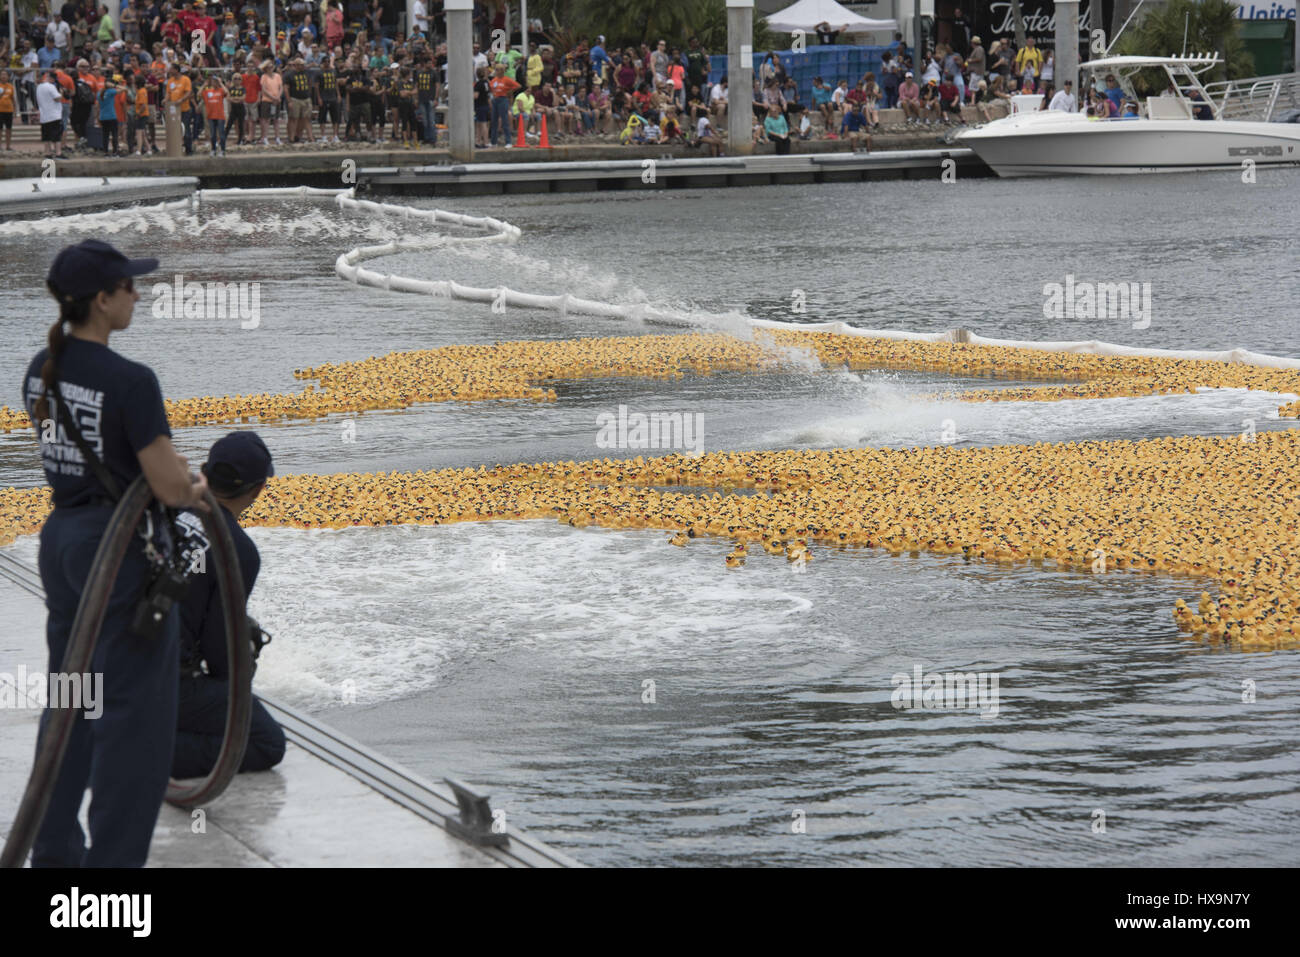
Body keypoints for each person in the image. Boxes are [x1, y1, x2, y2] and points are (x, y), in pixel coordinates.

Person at [24, 239, 209, 867]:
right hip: (120, 553)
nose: (138, 293)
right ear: (102, 301)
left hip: (64, 541)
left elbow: (73, 456)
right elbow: (167, 488)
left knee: (73, 700)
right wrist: (195, 486)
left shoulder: (38, 369)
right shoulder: (132, 382)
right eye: (128, 286)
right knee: (133, 725)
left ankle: (54, 858)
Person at [171, 433, 285, 782]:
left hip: (108, 667)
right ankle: (138, 748)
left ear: (204, 471)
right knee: (266, 741)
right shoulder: (236, 548)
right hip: (163, 681)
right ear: (259, 490)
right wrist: (229, 690)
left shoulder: (164, 510)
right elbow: (220, 650)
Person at [201, 72, 225, 156]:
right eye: (213, 81)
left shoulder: (221, 90)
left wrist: (221, 83)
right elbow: (198, 94)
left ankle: (222, 150)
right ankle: (213, 150)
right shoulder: (208, 91)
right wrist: (204, 85)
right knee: (213, 135)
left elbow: (227, 92)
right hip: (211, 116)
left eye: (216, 81)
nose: (214, 83)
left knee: (221, 134)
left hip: (220, 116)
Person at [0, 70, 15, 151]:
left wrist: (15, 110)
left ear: (8, 77)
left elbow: (13, 99)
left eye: (5, 74)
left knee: (8, 129)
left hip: (9, 110)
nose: (3, 76)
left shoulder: (11, 86)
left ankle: (8, 146)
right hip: (0, 110)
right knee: (0, 129)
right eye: (2, 74)